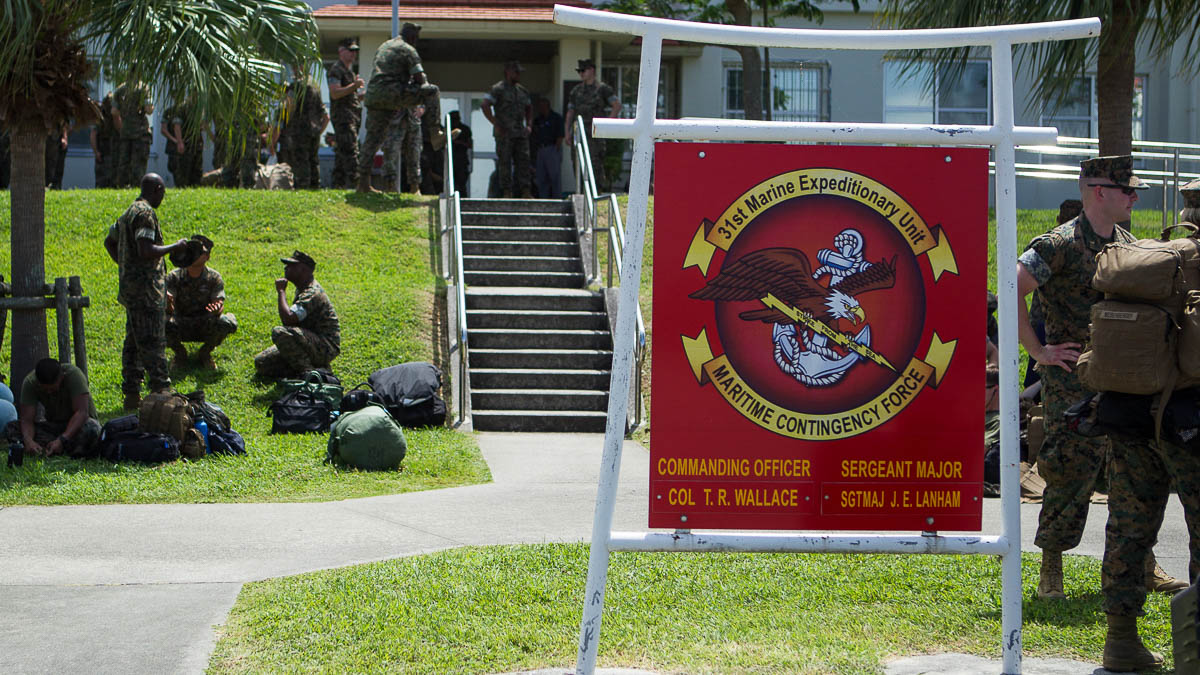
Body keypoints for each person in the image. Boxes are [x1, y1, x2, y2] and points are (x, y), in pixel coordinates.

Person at [1017, 156, 1184, 608]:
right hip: (1073, 382)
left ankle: (1142, 564)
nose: (1134, 198)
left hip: (1124, 380)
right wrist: (1039, 352)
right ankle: (1052, 566)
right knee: (1070, 472)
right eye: (1127, 190)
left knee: (1133, 475)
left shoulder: (1128, 245)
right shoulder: (1058, 244)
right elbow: (1011, 286)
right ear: (1097, 191)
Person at [356, 22, 445, 194]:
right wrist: (421, 86)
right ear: (412, 37)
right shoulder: (408, 49)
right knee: (432, 91)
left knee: (372, 141)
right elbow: (421, 80)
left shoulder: (385, 45)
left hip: (374, 96)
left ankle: (363, 184)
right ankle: (435, 133)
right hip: (394, 94)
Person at [254, 251, 340, 379]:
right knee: (262, 362)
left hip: (325, 346)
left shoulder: (312, 293)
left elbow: (288, 320)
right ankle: (314, 368)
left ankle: (309, 374)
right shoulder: (302, 288)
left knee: (280, 332)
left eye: (291, 266)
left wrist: (281, 291)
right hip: (308, 340)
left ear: (304, 270)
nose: (286, 268)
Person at [3, 358, 101, 459]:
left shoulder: (74, 375)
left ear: (61, 378)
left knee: (92, 429)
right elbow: (27, 419)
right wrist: (28, 441)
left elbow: (82, 413)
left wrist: (62, 440)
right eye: (45, 390)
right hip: (54, 426)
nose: (49, 393)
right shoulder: (30, 382)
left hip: (78, 426)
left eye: (52, 389)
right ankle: (48, 448)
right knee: (12, 428)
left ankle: (64, 447)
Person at [165, 235, 237, 370]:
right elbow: (168, 309)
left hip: (204, 323)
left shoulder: (214, 277)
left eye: (200, 252)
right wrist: (168, 303)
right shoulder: (174, 276)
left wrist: (217, 309)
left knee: (227, 322)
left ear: (207, 257)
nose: (195, 255)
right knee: (160, 321)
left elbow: (218, 303)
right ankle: (180, 354)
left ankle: (205, 353)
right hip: (180, 322)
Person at [564, 59, 621, 191]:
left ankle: (596, 191)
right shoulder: (576, 91)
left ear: (592, 70)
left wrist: (607, 124)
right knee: (577, 162)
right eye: (579, 71)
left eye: (583, 70)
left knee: (595, 163)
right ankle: (582, 192)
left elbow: (616, 105)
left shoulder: (602, 89)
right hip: (579, 133)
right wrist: (567, 132)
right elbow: (570, 112)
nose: (581, 73)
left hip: (595, 135)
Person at [482, 60, 532, 198]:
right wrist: (495, 123)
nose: (518, 75)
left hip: (520, 132)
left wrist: (529, 124)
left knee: (524, 162)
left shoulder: (522, 91)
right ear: (508, 72)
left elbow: (529, 107)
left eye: (519, 73)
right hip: (504, 133)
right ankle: (506, 192)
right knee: (504, 163)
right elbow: (485, 105)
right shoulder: (498, 89)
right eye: (516, 72)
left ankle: (525, 191)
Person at [276, 70, 327, 189]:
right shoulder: (315, 87)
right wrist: (319, 130)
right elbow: (326, 116)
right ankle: (315, 186)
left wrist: (284, 120)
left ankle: (302, 186)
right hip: (314, 130)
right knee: (313, 160)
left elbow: (290, 106)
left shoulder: (296, 86)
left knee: (301, 159)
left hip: (299, 130)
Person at [327, 37, 364, 189]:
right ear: (341, 51)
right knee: (351, 151)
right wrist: (354, 86)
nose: (353, 54)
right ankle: (358, 185)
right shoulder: (337, 70)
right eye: (350, 51)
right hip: (343, 118)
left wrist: (361, 94)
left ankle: (338, 186)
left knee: (342, 153)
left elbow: (350, 96)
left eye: (355, 51)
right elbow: (335, 93)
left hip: (351, 116)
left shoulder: (348, 71)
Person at [112, 80, 154, 188]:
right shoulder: (143, 88)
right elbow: (149, 110)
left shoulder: (120, 89)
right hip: (140, 133)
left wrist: (122, 128)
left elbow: (114, 112)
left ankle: (122, 187)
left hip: (126, 132)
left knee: (123, 163)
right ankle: (137, 187)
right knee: (138, 165)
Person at [161, 98, 204, 188]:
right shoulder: (171, 111)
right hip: (177, 147)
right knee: (180, 173)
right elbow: (167, 129)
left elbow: (202, 126)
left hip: (191, 145)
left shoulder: (195, 110)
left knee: (194, 172)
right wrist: (177, 141)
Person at [383, 105, 423, 193]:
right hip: (394, 118)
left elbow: (425, 94)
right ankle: (390, 185)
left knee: (414, 153)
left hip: (413, 118)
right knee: (390, 152)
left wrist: (422, 108)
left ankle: (415, 186)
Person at [532, 96, 564, 199]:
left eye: (542, 106)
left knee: (554, 177)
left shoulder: (556, 118)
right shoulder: (538, 120)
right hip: (540, 150)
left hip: (552, 148)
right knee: (542, 178)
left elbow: (560, 135)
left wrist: (556, 150)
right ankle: (543, 199)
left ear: (547, 106)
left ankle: (557, 199)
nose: (540, 108)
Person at [91, 91, 117, 188]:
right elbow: (93, 134)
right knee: (102, 180)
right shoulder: (101, 117)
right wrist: (96, 151)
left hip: (111, 150)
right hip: (103, 151)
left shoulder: (114, 116)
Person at [449, 110, 472, 196]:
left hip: (462, 160)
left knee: (462, 184)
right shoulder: (448, 129)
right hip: (451, 159)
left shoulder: (465, 129)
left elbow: (469, 144)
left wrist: (458, 142)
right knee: (452, 183)